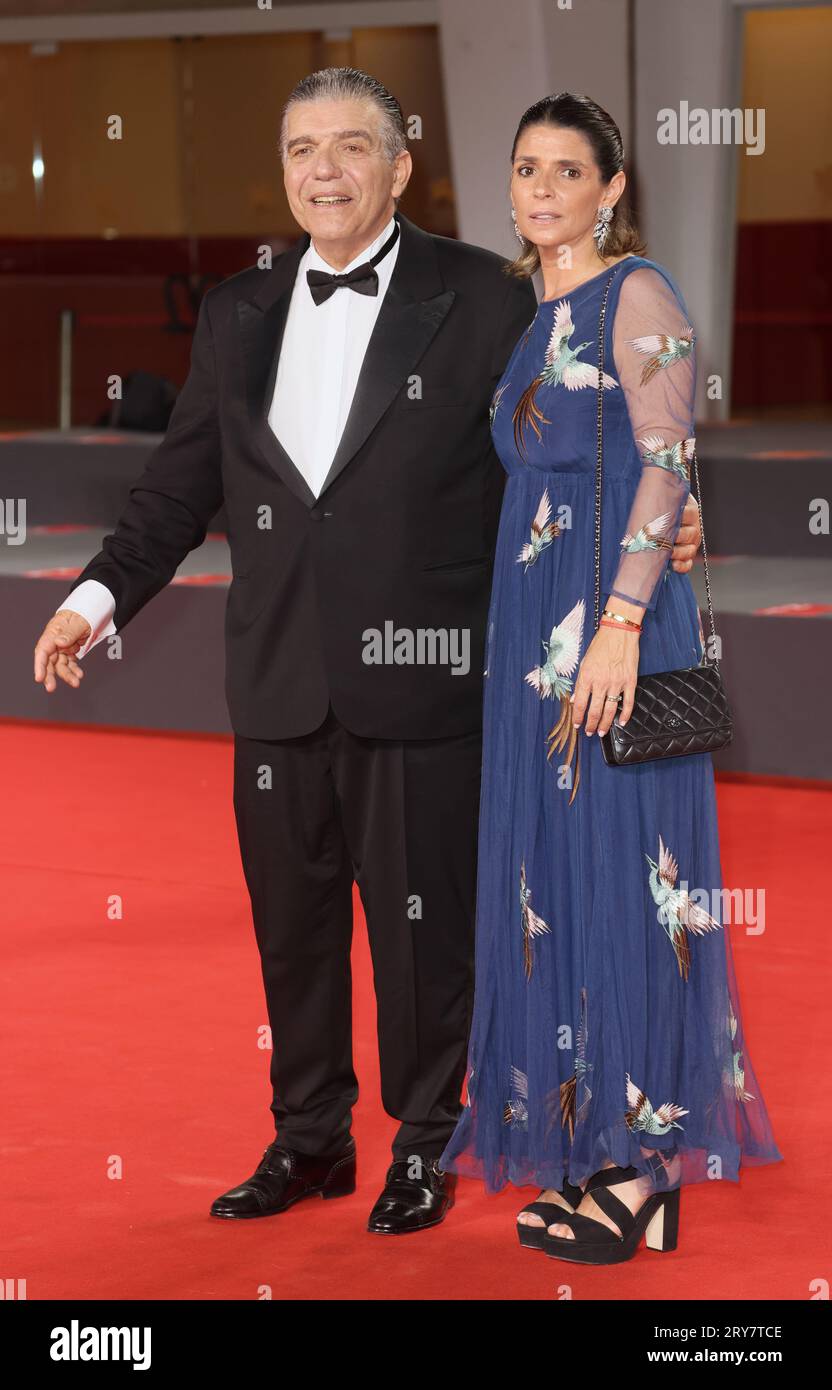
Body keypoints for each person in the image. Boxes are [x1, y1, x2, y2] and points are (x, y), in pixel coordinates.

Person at [32, 71, 702, 1238]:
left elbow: (601, 436)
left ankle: (427, 1143)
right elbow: (179, 483)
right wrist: (94, 599)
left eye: (353, 145)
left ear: (401, 168)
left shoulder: (490, 294)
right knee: (290, 929)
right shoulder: (237, 310)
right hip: (278, 673)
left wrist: (670, 534)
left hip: (431, 674)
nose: (324, 169)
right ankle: (308, 1138)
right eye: (301, 148)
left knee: (423, 936)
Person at [438, 92, 783, 1263]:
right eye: (525, 167)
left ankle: (647, 1165)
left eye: (566, 171)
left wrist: (627, 619)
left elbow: (668, 461)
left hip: (613, 633)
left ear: (611, 187)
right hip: (538, 636)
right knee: (561, 882)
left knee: (633, 880)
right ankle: (600, 1147)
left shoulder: (639, 294)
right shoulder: (526, 307)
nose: (541, 189)